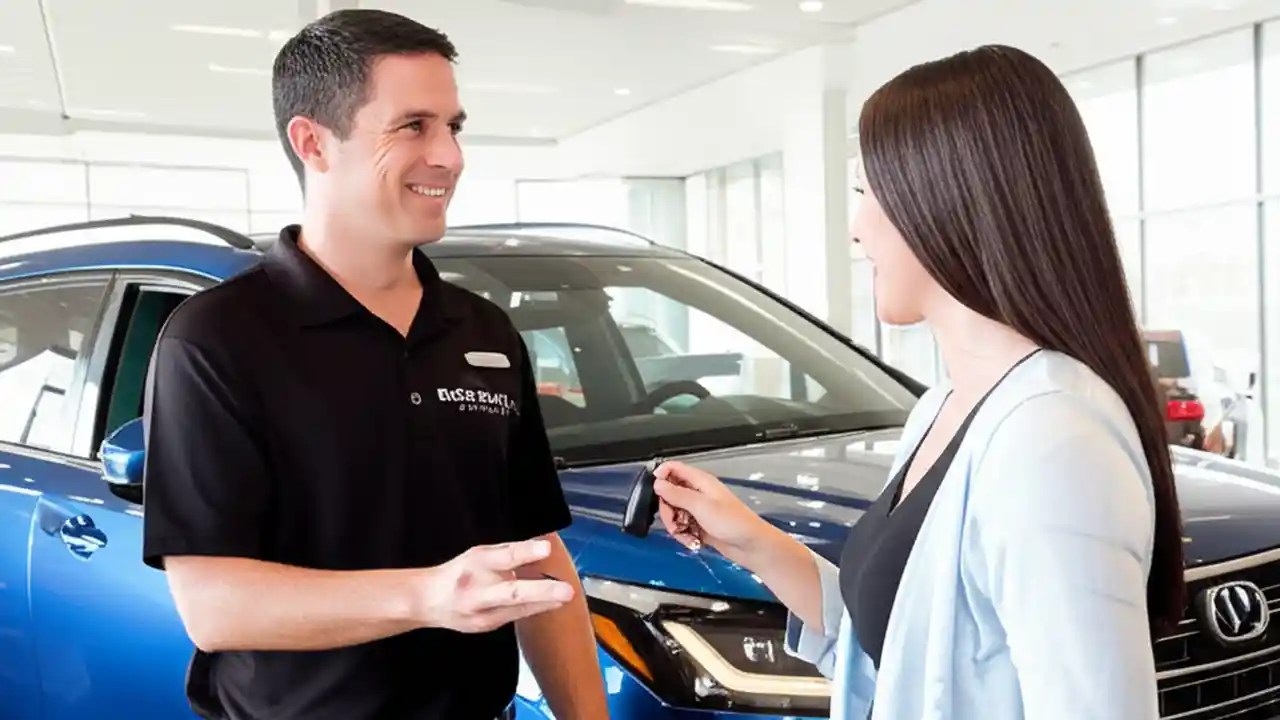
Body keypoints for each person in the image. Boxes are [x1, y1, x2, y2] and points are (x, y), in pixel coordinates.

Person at [652, 44, 1182, 720]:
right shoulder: (949, 408)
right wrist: (748, 537)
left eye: (866, 194)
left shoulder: (1052, 441)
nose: (856, 230)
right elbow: (899, 644)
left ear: (942, 201)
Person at [141, 9, 608, 720]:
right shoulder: (215, 340)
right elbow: (214, 606)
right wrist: (429, 596)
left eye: (455, 126)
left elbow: (535, 555)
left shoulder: (483, 331)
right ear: (314, 143)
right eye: (413, 126)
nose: (449, 156)